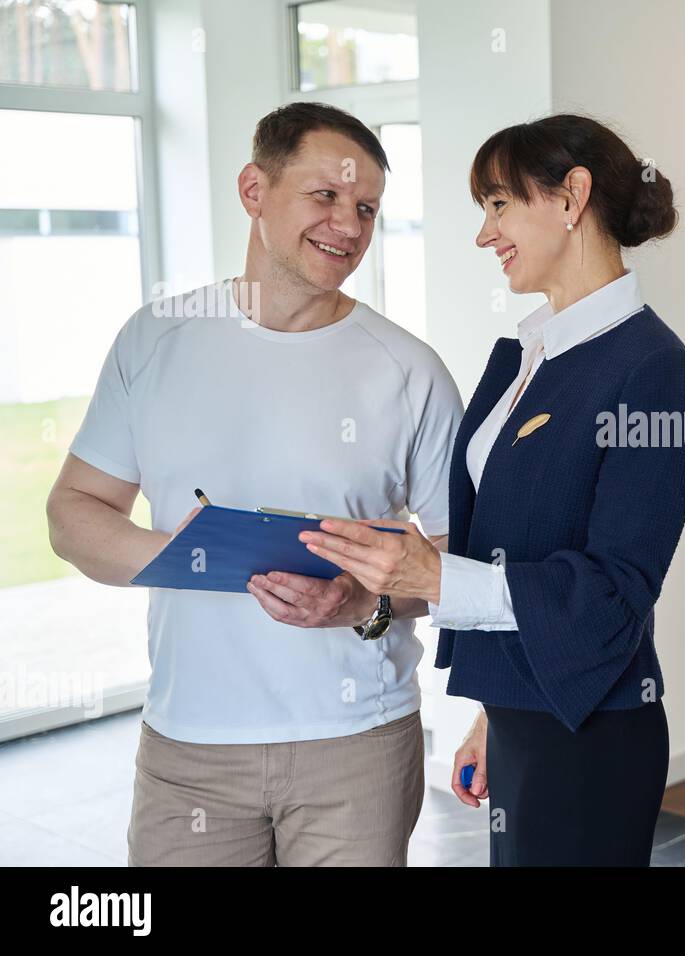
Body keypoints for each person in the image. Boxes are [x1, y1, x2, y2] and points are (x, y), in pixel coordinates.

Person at [45, 102, 463, 866]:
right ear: (253, 190)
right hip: (190, 749)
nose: (349, 224)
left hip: (357, 745)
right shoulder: (156, 338)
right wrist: (190, 554)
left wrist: (361, 599)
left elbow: (456, 558)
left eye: (367, 207)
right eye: (326, 195)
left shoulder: (411, 369)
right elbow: (74, 513)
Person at [297, 114, 685, 866]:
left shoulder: (654, 373)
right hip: (530, 713)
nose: (485, 235)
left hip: (593, 730)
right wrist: (497, 711)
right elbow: (519, 545)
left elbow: (615, 592)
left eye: (497, 205)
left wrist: (434, 576)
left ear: (571, 197)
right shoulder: (528, 357)